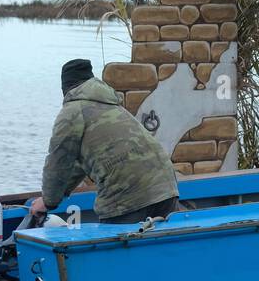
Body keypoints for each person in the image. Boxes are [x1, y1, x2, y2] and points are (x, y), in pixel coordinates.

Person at [30, 59, 179, 225]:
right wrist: (56, 196)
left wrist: (47, 202)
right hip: (166, 188)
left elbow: (58, 161)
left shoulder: (72, 112)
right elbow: (78, 166)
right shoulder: (112, 105)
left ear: (66, 88)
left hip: (127, 195)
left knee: (118, 248)